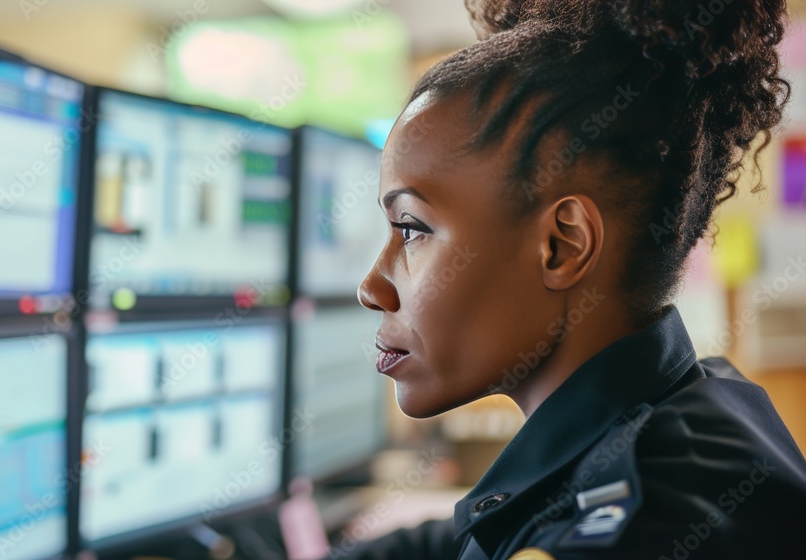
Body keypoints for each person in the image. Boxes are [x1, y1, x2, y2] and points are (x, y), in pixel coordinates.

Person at [337, 0, 806, 558]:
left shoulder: (642, 526)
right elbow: (461, 539)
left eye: (412, 229)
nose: (371, 287)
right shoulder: (691, 404)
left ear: (563, 246)